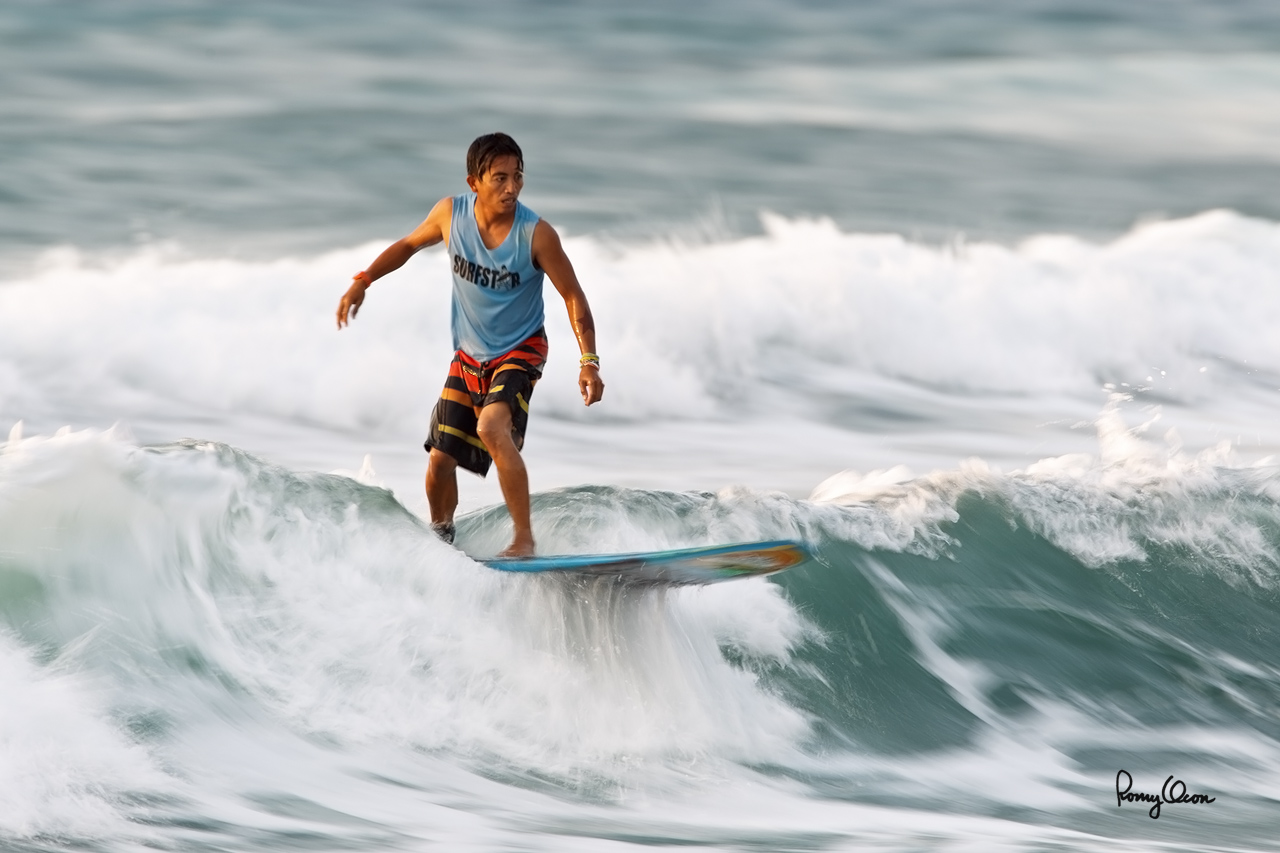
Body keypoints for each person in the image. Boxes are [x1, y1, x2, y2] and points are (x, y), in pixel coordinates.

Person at [336, 133, 604, 557]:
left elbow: (573, 295)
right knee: (440, 460)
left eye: (518, 177)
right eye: (500, 178)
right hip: (469, 357)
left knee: (491, 427)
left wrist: (589, 360)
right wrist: (363, 279)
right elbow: (408, 245)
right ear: (474, 182)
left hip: (521, 350)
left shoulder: (536, 235)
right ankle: (442, 541)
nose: (512, 188)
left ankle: (524, 540)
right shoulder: (450, 215)